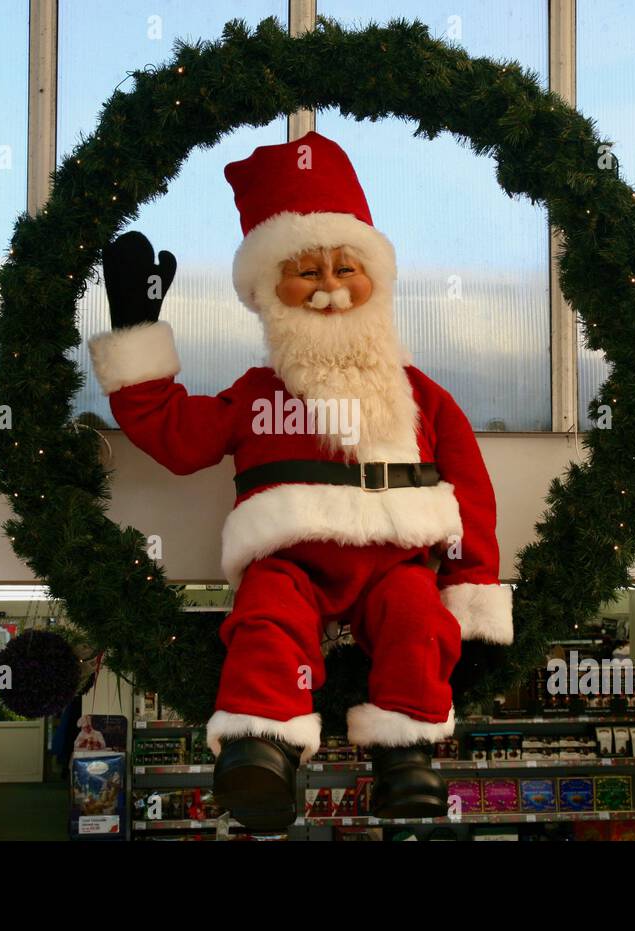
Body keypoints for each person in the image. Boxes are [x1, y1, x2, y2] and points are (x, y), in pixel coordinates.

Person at [88, 132, 509, 828]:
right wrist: (135, 331)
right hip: (291, 558)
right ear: (269, 292)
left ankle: (407, 757)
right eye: (306, 272)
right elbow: (179, 434)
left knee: (417, 619)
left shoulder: (420, 394)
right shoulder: (257, 391)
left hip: (395, 563)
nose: (331, 288)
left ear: (377, 280)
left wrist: (472, 583)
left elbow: (470, 484)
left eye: (348, 268)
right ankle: (261, 752)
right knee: (266, 617)